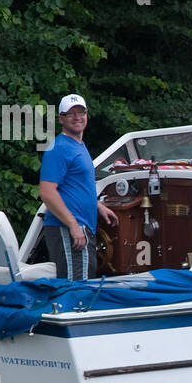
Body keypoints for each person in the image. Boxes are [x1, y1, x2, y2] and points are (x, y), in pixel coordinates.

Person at [39, 94, 117, 279]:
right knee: (77, 289)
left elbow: (76, 185)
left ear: (87, 115)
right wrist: (73, 226)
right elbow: (47, 192)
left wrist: (98, 206)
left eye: (81, 112)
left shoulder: (78, 145)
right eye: (71, 114)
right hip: (68, 229)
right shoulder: (59, 147)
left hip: (82, 226)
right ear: (61, 118)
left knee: (82, 280)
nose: (77, 117)